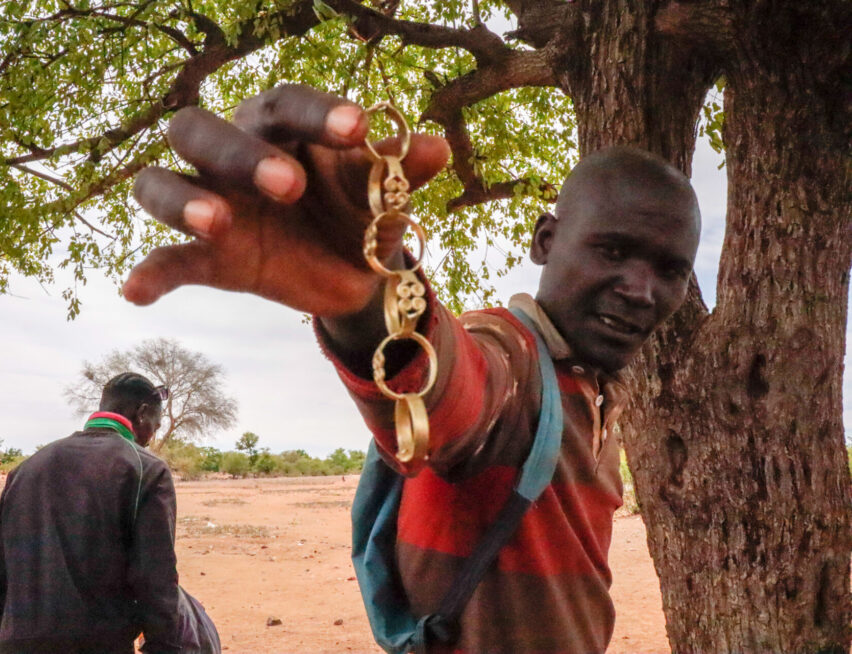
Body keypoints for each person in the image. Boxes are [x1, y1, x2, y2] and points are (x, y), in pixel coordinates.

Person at [124, 85, 700, 653]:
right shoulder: (514, 358)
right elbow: (448, 385)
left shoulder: (595, 388)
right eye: (615, 251)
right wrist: (370, 295)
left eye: (670, 270)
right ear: (546, 240)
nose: (641, 291)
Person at [0, 372, 219, 654]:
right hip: (97, 643)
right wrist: (165, 645)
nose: (151, 436)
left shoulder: (28, 468)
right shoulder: (145, 469)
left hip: (16, 643)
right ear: (142, 413)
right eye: (155, 426)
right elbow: (155, 574)